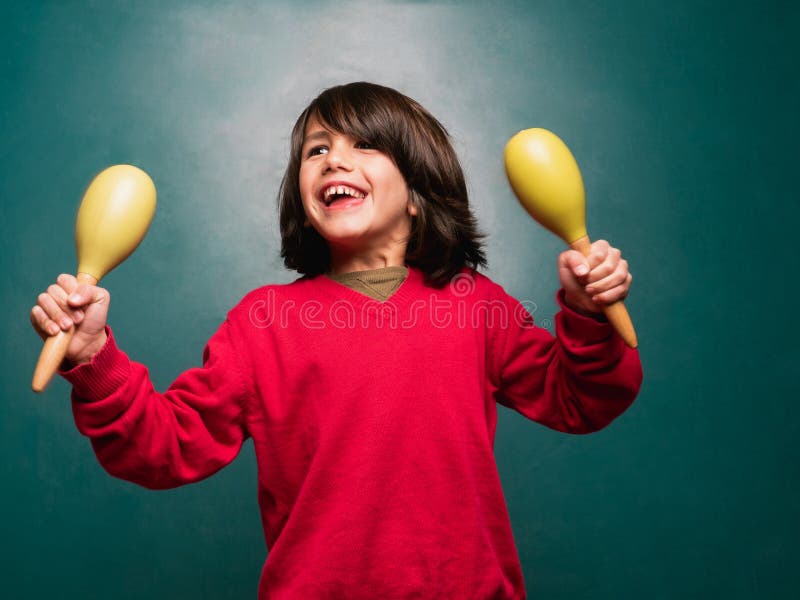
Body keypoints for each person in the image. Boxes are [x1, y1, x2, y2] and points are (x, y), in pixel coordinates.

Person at [30, 82, 642, 599]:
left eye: (365, 145)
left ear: (419, 191)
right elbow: (162, 449)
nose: (333, 160)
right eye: (316, 150)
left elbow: (582, 399)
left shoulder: (475, 305)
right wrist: (91, 358)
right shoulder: (262, 322)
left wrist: (587, 315)